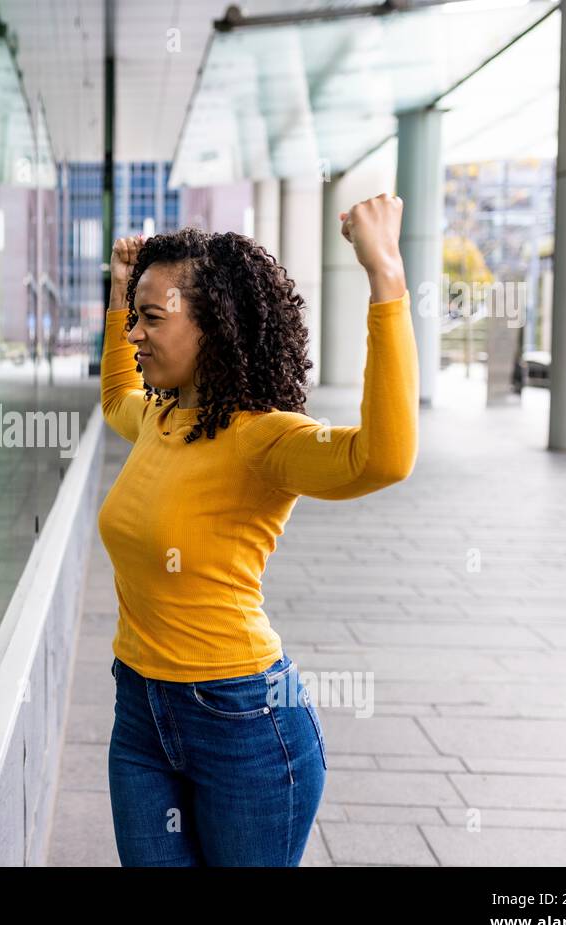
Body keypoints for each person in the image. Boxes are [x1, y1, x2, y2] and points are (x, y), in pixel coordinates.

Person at [100, 193, 418, 866]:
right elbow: (114, 396)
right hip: (140, 711)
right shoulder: (159, 418)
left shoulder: (265, 438)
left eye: (150, 319)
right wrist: (121, 290)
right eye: (134, 319)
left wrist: (386, 276)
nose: (134, 334)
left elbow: (384, 458)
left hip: (242, 722)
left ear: (212, 326)